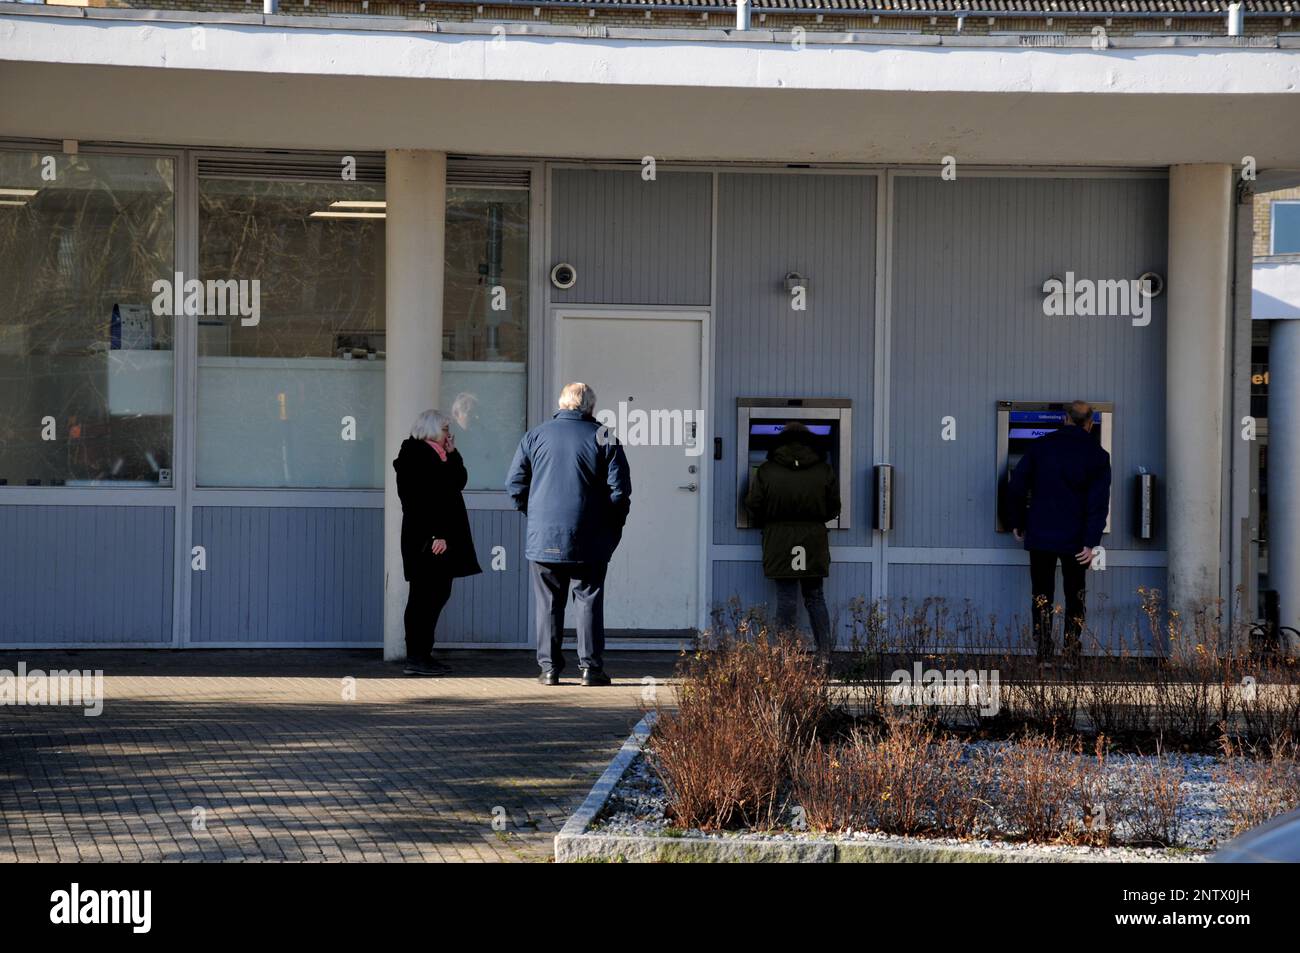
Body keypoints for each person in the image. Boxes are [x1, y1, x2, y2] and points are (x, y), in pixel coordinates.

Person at [506, 382, 631, 686]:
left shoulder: (535, 435)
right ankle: (590, 669)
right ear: (590, 407)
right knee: (588, 598)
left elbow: (514, 485)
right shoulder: (605, 437)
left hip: (544, 536)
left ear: (562, 404)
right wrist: (610, 526)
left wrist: (534, 516)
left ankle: (549, 669)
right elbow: (620, 491)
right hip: (589, 536)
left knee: (549, 602)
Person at [1006, 400, 1112, 664]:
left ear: (1065, 419)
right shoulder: (1098, 455)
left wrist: (1018, 521)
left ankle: (1043, 651)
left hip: (1041, 534)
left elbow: (1017, 486)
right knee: (1075, 594)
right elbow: (1098, 503)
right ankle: (1071, 652)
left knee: (1041, 593)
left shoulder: (1040, 447)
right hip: (1077, 539)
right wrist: (1091, 542)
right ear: (1090, 423)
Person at [394, 409, 481, 676]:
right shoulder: (415, 456)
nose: (448, 433)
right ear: (431, 429)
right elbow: (417, 502)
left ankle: (424, 654)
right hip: (427, 541)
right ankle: (416, 656)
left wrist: (453, 453)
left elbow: (458, 482)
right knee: (424, 597)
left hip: (442, 538)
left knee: (438, 594)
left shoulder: (441, 456)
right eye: (445, 428)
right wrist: (434, 535)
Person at [744, 422, 841, 654]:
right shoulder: (824, 470)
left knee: (786, 600)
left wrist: (771, 518)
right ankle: (825, 654)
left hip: (779, 539)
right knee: (816, 598)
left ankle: (785, 657)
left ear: (780, 443)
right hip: (813, 539)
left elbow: (753, 505)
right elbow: (834, 508)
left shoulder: (767, 470)